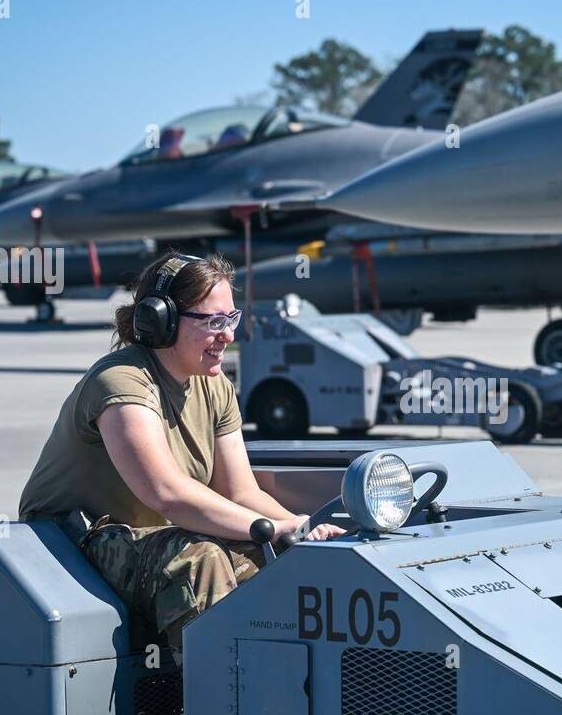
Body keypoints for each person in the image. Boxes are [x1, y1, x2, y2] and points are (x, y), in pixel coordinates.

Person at [19, 252, 344, 649]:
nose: (227, 335)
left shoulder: (215, 385)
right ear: (162, 321)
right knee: (199, 561)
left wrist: (301, 528)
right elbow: (167, 493)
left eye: (231, 319)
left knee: (274, 561)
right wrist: (277, 529)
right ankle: (215, 706)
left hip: (150, 538)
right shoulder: (121, 382)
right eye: (212, 322)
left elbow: (241, 493)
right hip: (69, 544)